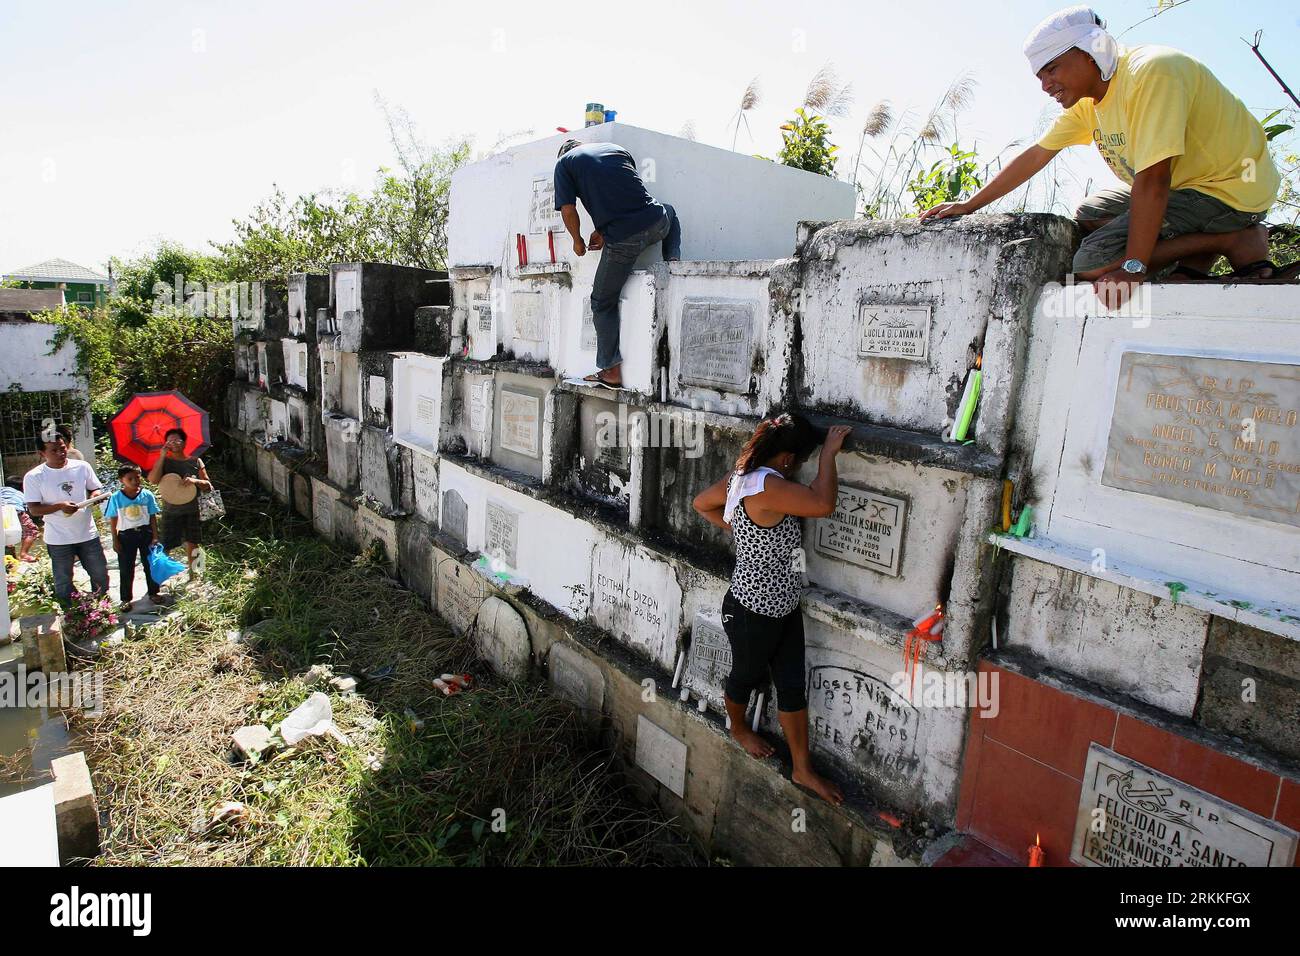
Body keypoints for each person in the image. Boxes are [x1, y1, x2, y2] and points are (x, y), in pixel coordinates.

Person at [919, 5, 1292, 307]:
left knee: (1091, 263)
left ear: (1092, 50)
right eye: (1039, 76)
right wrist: (969, 204)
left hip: (1231, 187)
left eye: (1052, 68)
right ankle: (1202, 252)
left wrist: (1133, 267)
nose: (1046, 85)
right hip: (1187, 188)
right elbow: (1036, 155)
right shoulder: (1089, 103)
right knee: (1091, 213)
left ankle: (1234, 239)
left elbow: (1154, 179)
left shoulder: (1151, 73)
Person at [692, 413, 853, 806]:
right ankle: (738, 728)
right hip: (751, 609)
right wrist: (830, 454)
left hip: (783, 605)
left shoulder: (741, 479)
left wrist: (738, 527)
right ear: (786, 458)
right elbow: (822, 503)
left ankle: (802, 768)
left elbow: (702, 504)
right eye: (799, 460)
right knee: (745, 675)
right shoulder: (766, 486)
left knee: (792, 685)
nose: (798, 467)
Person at [554, 139, 682, 389]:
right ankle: (673, 262)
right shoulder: (616, 149)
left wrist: (577, 241)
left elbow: (568, 210)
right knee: (671, 212)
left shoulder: (563, 164)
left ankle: (611, 370)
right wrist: (602, 229)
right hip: (656, 222)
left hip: (624, 239)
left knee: (601, 301)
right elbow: (623, 193)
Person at [22, 434, 108, 602]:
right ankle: (71, 614)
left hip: (87, 533)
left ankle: (102, 609)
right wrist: (59, 506)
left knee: (100, 574)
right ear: (42, 453)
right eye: (54, 450)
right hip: (58, 538)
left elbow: (95, 488)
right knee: (63, 581)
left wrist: (96, 496)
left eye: (63, 448)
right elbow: (34, 509)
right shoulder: (34, 477)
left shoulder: (82, 467)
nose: (61, 453)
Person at [147, 428, 211, 580]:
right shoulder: (165, 462)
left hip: (193, 509)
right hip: (171, 510)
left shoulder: (195, 461)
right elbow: (153, 480)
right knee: (166, 545)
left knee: (194, 543)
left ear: (184, 442)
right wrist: (162, 456)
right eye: (170, 441)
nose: (174, 444)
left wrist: (195, 481)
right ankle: (158, 579)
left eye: (177, 440)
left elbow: (208, 485)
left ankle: (197, 576)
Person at [104, 464, 163, 609]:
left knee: (150, 564)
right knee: (126, 567)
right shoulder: (116, 498)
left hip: (145, 533)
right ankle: (125, 599)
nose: (135, 481)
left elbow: (152, 516)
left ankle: (153, 592)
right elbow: (113, 519)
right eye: (130, 478)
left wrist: (155, 536)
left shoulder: (147, 495)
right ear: (121, 480)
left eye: (137, 477)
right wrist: (115, 539)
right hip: (126, 536)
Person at [1, 476, 40, 562]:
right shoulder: (21, 495)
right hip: (15, 511)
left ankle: (9, 556)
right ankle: (24, 554)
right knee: (32, 531)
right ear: (22, 487)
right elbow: (29, 509)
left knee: (5, 533)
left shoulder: (1, 490)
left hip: (1, 511)